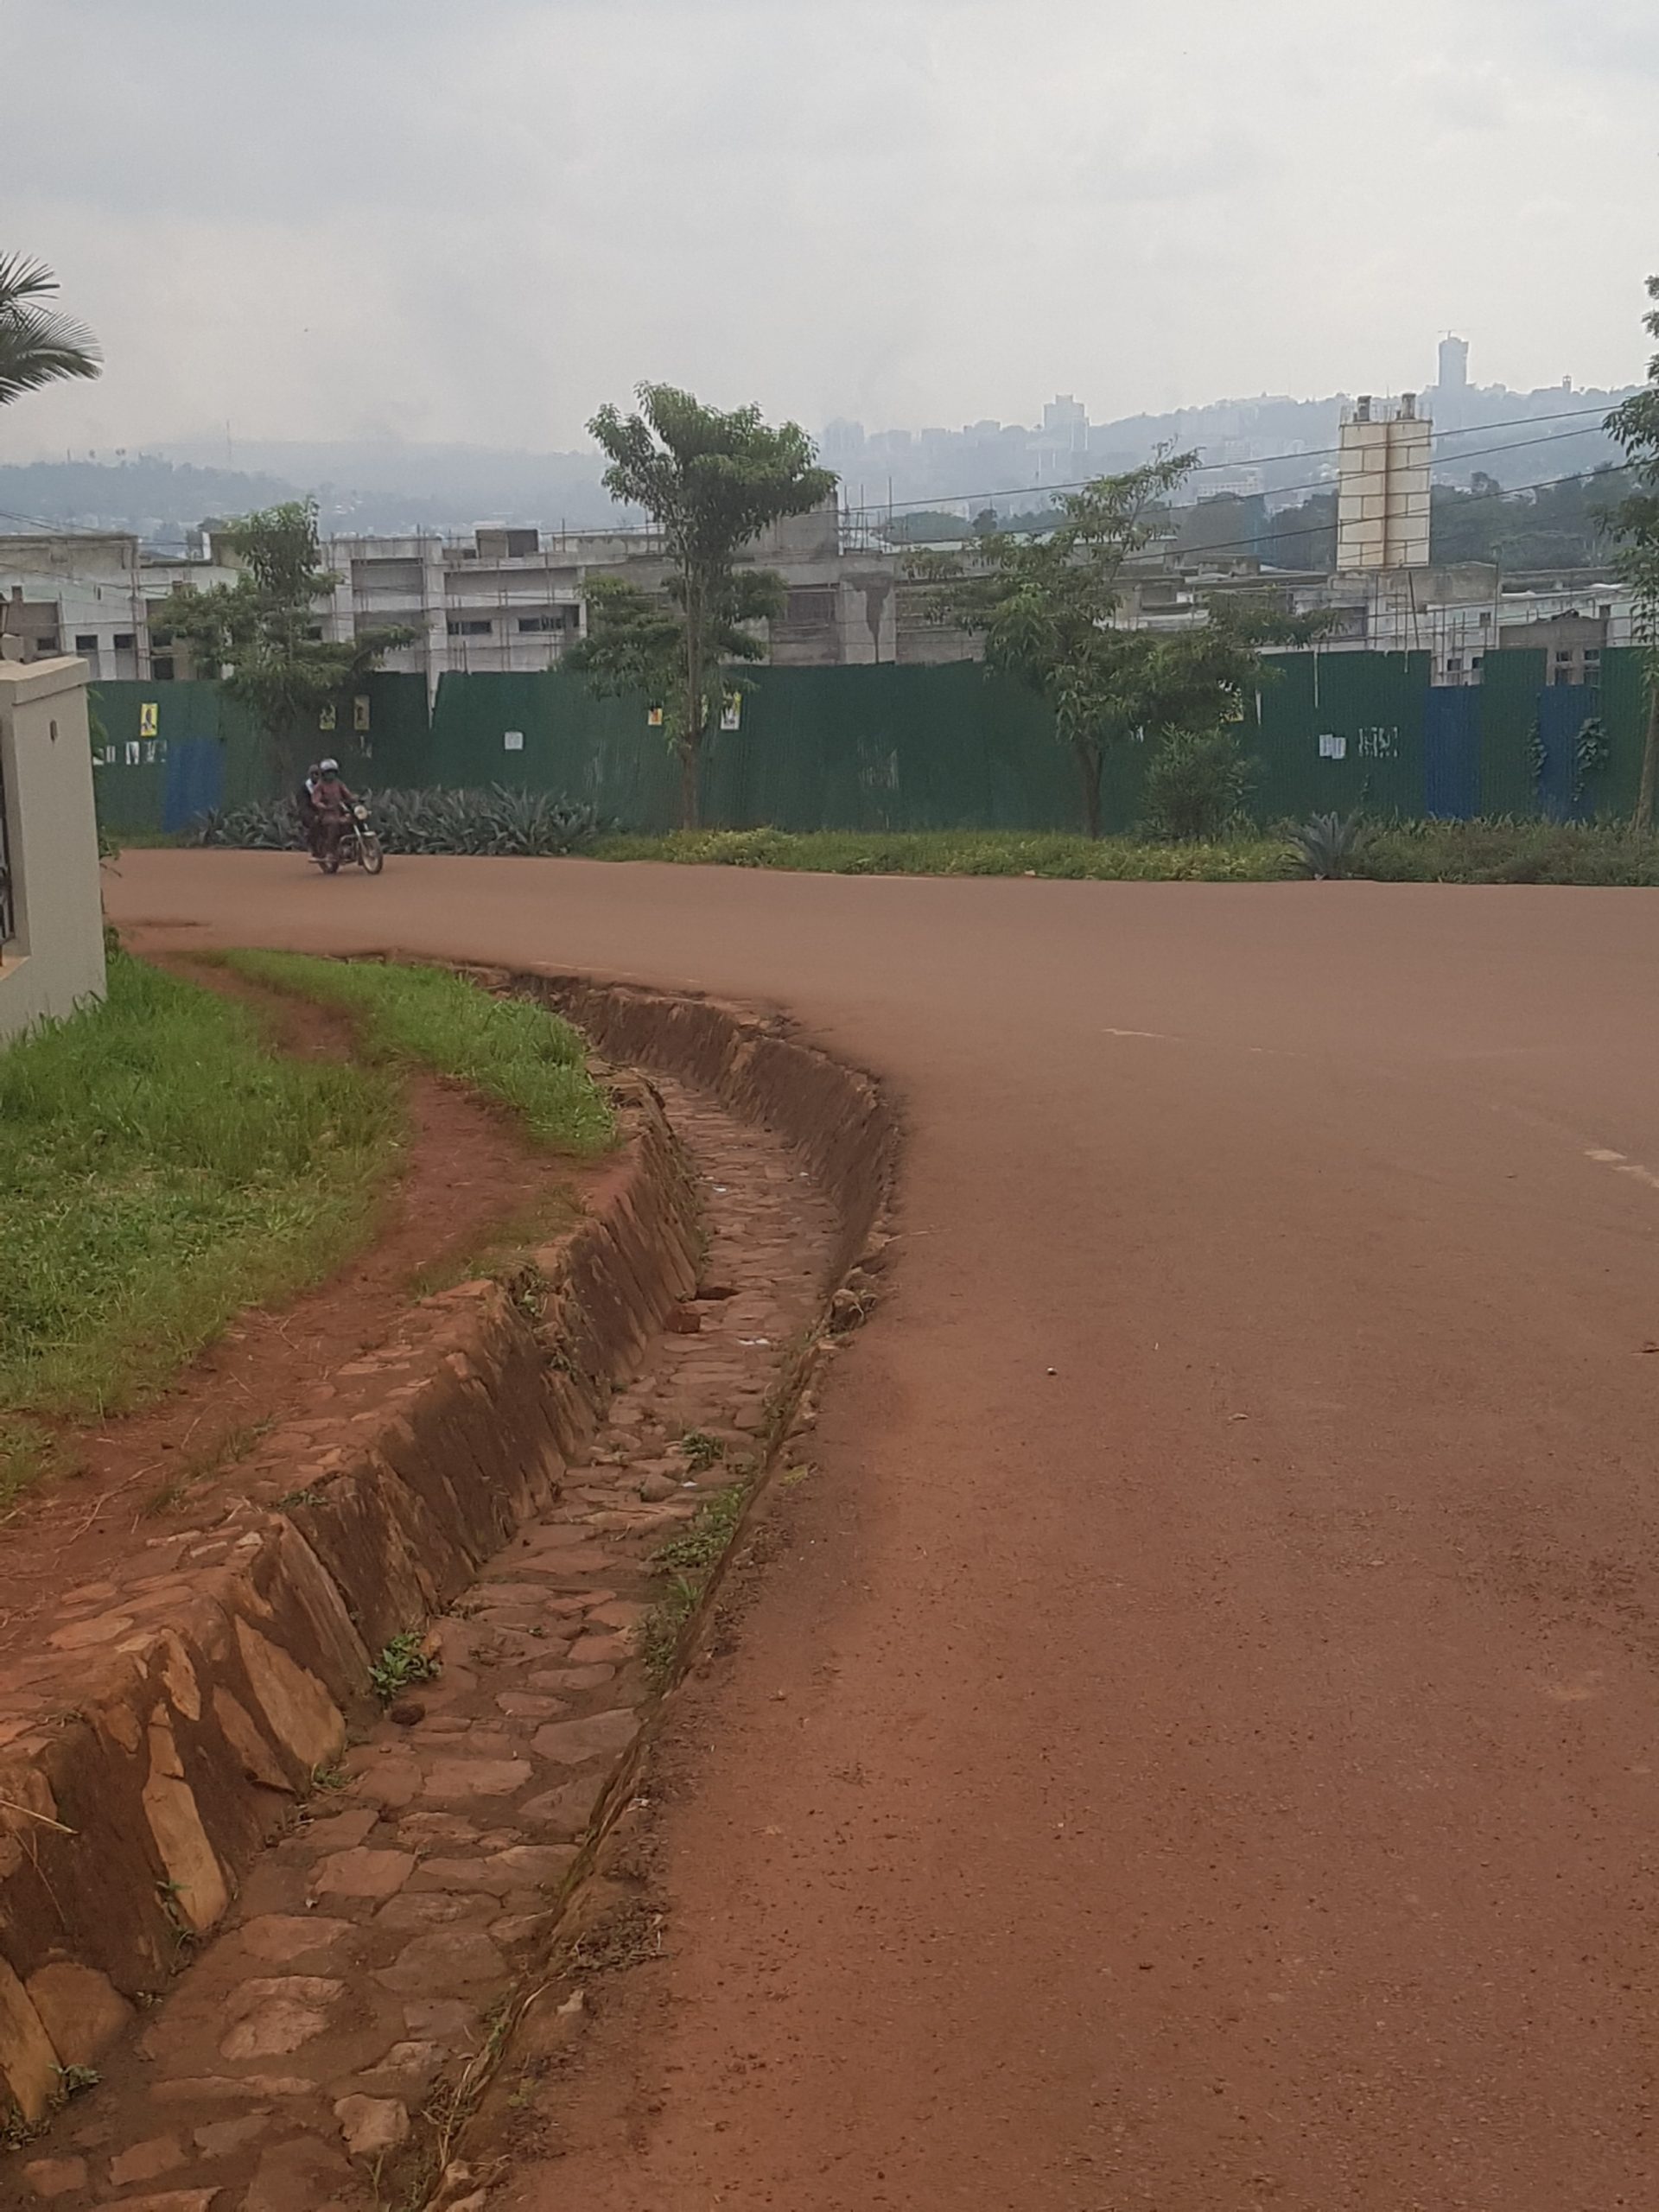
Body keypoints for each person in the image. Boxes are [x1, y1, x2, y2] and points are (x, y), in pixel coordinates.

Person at [310, 758, 358, 866]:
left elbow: (347, 794)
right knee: (334, 823)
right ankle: (330, 852)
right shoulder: (320, 785)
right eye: (328, 772)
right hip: (327, 814)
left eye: (333, 772)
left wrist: (354, 798)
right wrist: (322, 805)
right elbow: (316, 800)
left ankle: (351, 845)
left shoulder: (338, 783)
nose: (331, 775)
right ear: (323, 774)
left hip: (340, 811)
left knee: (355, 819)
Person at [295, 762, 321, 855]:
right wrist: (313, 815)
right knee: (315, 822)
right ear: (310, 775)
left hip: (324, 811)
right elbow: (303, 806)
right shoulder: (305, 788)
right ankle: (313, 846)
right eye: (313, 774)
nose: (316, 776)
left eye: (317, 774)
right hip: (309, 812)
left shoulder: (324, 786)